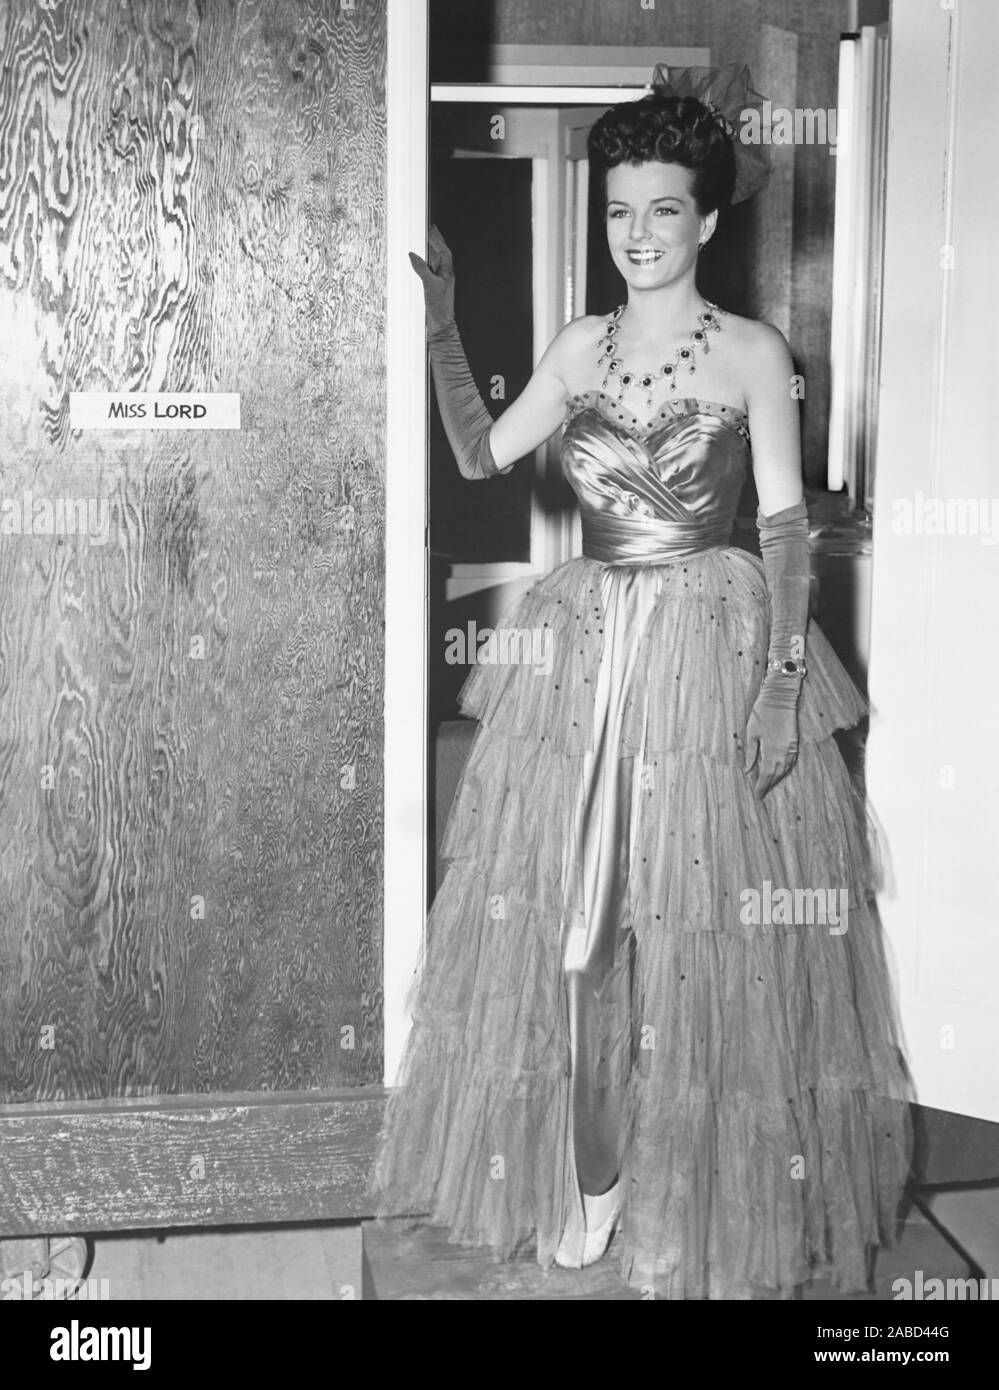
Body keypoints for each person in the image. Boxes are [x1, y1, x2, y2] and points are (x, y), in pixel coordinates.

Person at [369, 65, 913, 1300]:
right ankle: (594, 1178)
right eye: (620, 210)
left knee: (706, 942)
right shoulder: (580, 347)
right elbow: (481, 453)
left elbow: (786, 531)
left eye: (664, 209)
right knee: (582, 934)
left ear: (707, 219)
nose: (639, 232)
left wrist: (781, 686)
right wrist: (446, 324)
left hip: (712, 649)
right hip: (587, 654)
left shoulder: (757, 354)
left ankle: (690, 1196)